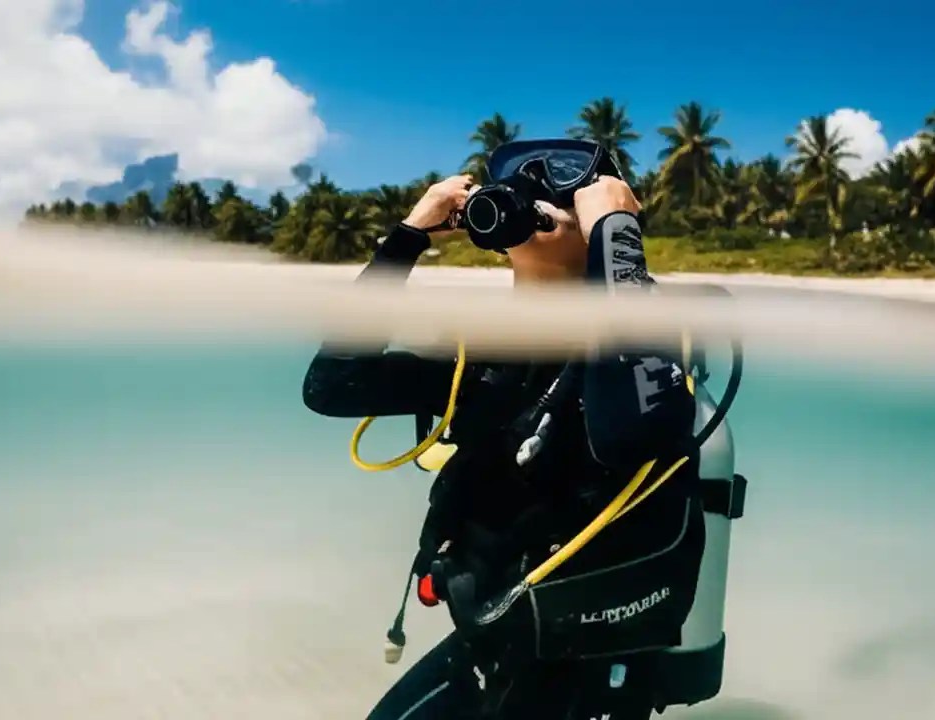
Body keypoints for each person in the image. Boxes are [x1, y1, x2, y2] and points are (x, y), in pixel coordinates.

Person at [301, 163, 706, 719]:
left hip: (583, 668)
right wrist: (409, 236)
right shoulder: (484, 348)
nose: (532, 197)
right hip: (496, 639)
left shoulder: (642, 351)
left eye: (559, 194)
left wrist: (616, 233)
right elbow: (331, 386)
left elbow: (631, 433)